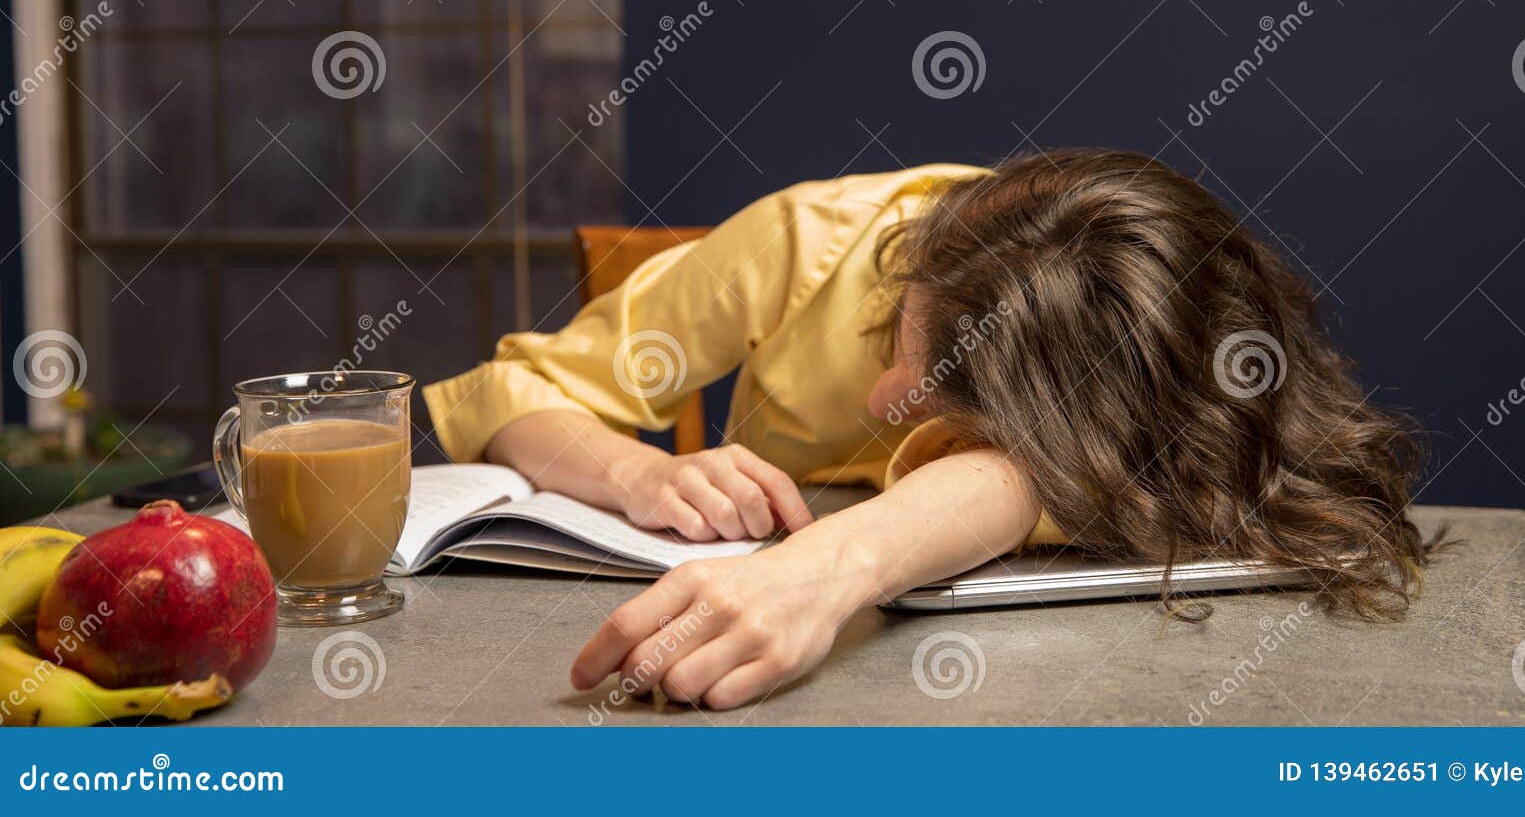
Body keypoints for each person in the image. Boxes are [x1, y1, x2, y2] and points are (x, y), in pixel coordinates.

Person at [424, 148, 1433, 710]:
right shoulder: (814, 240)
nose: (882, 401)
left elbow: (1022, 479)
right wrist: (632, 471)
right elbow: (509, 392)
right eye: (899, 345)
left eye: (940, 400)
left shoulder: (1147, 379)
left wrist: (824, 566)